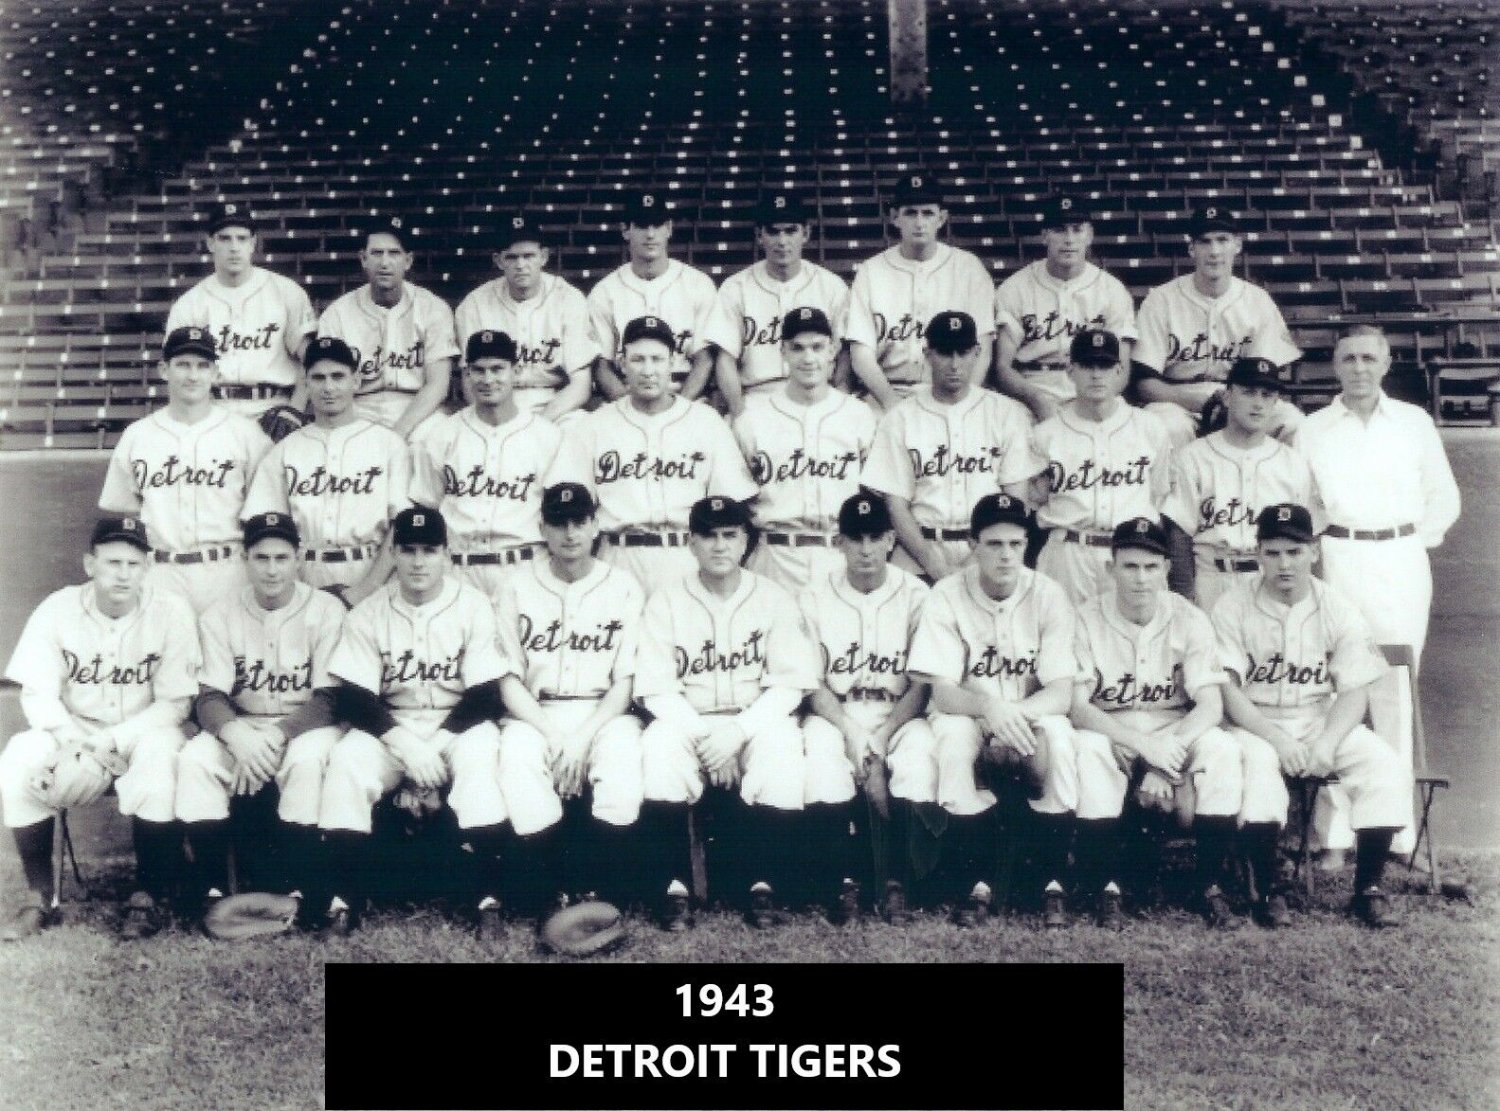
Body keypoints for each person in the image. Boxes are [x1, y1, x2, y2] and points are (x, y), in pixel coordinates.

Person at [1293, 324, 1461, 861]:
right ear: (1334, 365)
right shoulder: (1312, 429)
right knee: (1335, 684)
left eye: (1369, 357)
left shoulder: (1413, 423)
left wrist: (1410, 541)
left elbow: (1443, 496)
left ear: (1386, 363)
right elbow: (1302, 503)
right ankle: (1336, 827)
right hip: (1337, 558)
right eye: (1349, 358)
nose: (1359, 368)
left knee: (1394, 684)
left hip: (1401, 560)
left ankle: (1392, 825)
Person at [0, 517, 200, 940]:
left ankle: (147, 895)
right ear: (90, 564)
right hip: (71, 734)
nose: (123, 573)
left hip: (142, 732)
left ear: (147, 567)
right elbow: (37, 692)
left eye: (133, 563)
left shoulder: (171, 611)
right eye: (113, 562)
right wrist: (72, 742)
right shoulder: (57, 609)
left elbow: (175, 703)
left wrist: (111, 741)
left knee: (163, 755)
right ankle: (40, 897)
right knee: (19, 755)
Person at [1214, 504, 1413, 927]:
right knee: (1261, 773)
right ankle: (1271, 891)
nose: (1284, 564)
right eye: (1273, 553)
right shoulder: (1231, 605)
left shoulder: (1338, 606)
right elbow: (1228, 692)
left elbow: (1354, 690)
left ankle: (1369, 890)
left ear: (1315, 551)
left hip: (1322, 718)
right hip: (1256, 722)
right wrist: (1279, 739)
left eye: (1295, 551)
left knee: (1384, 766)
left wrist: (1326, 742)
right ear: (1258, 553)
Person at [314, 507, 509, 934]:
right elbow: (356, 696)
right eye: (408, 550)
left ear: (447, 554)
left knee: (481, 759)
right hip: (390, 723)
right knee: (347, 763)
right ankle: (342, 900)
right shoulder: (368, 612)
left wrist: (432, 748)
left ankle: (488, 900)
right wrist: (406, 745)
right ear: (394, 554)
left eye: (429, 550)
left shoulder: (474, 606)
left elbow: (484, 696)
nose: (419, 561)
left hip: (457, 724)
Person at [633, 497, 819, 929]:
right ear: (691, 542)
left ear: (745, 542)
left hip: (754, 717)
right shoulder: (666, 601)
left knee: (783, 750)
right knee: (659, 749)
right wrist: (706, 738)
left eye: (730, 535)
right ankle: (674, 888)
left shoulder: (773, 598)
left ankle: (764, 885)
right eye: (709, 536)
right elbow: (656, 689)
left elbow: (790, 683)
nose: (719, 546)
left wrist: (736, 733)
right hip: (687, 717)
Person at [906, 493, 1082, 927]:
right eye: (995, 544)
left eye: (1016, 544)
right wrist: (989, 708)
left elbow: (1061, 692)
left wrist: (1013, 715)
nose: (1006, 555)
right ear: (973, 543)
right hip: (968, 710)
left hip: (1031, 711)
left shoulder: (1048, 593)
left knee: (1059, 738)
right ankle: (975, 884)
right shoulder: (945, 595)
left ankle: (1051, 883)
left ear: (1027, 545)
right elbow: (942, 693)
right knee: (951, 740)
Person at [1068, 518, 1246, 929]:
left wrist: (1165, 756)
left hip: (1173, 732)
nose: (1141, 578)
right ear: (1110, 569)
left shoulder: (1189, 618)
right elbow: (1078, 708)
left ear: (1167, 568)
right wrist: (1143, 749)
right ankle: (1105, 888)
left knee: (1222, 748)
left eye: (1151, 566)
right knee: (1090, 751)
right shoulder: (1084, 617)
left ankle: (1209, 885)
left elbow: (1210, 704)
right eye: (1130, 566)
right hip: (1110, 729)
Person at [174, 513, 348, 921]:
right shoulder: (219, 614)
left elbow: (329, 697)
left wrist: (274, 738)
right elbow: (209, 694)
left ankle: (299, 887)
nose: (272, 569)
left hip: (307, 725)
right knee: (195, 760)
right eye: (262, 557)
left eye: (281, 558)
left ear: (299, 558)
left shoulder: (326, 610)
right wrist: (235, 734)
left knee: (305, 763)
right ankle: (214, 888)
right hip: (241, 724)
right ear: (244, 558)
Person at [491, 483, 646, 913]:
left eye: (580, 521)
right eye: (559, 523)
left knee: (621, 759)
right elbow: (507, 678)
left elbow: (626, 681)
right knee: (518, 759)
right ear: (542, 527)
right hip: (534, 710)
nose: (570, 533)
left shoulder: (624, 586)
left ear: (596, 525)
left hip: (605, 710)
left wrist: (579, 739)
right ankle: (550, 887)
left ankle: (601, 888)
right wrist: (553, 735)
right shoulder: (515, 586)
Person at [798, 493, 937, 923]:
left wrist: (879, 738)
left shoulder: (917, 594)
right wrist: (854, 735)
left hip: (899, 712)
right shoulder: (813, 595)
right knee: (821, 757)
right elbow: (811, 684)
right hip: (835, 712)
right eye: (855, 538)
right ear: (838, 541)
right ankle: (842, 883)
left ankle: (898, 884)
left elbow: (922, 683)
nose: (865, 549)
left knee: (918, 757)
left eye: (875, 537)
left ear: (892, 539)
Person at [553, 315, 757, 591]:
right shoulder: (593, 426)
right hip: (617, 556)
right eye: (638, 360)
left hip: (687, 555)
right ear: (622, 363)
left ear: (672, 362)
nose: (648, 370)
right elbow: (569, 510)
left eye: (657, 359)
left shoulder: (705, 422)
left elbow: (733, 507)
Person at [98, 326, 272, 613]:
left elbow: (264, 512)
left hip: (228, 571)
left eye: (203, 366)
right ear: (164, 370)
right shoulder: (137, 435)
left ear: (216, 373)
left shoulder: (246, 434)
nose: (192, 375)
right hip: (160, 573)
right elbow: (126, 515)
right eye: (183, 365)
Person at [860, 311, 1040, 581]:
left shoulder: (1006, 414)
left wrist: (977, 560)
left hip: (987, 553)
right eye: (945, 352)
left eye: (963, 352)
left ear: (977, 352)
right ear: (927, 353)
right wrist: (935, 566)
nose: (955, 364)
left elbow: (1016, 502)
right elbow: (895, 506)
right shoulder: (900, 417)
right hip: (917, 554)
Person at [242, 335, 409, 607]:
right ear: (305, 384)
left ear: (356, 381)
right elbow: (265, 530)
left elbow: (401, 528)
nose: (328, 387)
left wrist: (365, 590)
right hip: (303, 575)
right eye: (318, 378)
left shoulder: (389, 445)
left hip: (372, 571)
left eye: (338, 376)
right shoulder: (284, 450)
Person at [1133, 206, 1303, 448]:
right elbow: (1144, 384)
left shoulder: (1258, 300)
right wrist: (1193, 400)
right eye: (1205, 241)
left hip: (1245, 398)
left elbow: (1267, 378)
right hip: (1176, 401)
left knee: (1294, 424)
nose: (1214, 251)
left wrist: (1234, 402)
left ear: (1237, 245)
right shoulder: (1161, 300)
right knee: (1166, 427)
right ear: (1191, 248)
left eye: (1222, 240)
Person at [409, 329, 564, 596]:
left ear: (515, 371)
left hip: (525, 567)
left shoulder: (547, 436)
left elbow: (562, 517)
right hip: (458, 570)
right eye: (479, 370)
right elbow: (427, 507)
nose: (488, 379)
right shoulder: (442, 434)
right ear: (467, 374)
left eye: (497, 369)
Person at [732, 306, 876, 591]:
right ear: (782, 351)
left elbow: (876, 497)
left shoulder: (859, 415)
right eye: (797, 348)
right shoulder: (753, 419)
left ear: (832, 349)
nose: (808, 358)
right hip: (773, 556)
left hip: (839, 553)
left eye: (817, 347)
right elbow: (737, 502)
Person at [1030, 328, 1173, 604]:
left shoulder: (1150, 428)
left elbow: (1158, 496)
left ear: (1119, 370)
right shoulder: (1045, 434)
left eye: (1105, 365)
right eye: (1087, 365)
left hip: (1132, 553)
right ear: (1070, 371)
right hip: (1068, 553)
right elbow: (1035, 501)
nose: (1096, 374)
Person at [1162, 357, 1315, 611]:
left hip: (1270, 581)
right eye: (1248, 392)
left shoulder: (1292, 463)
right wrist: (1184, 598)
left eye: (1267, 395)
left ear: (1276, 402)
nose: (1258, 404)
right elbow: (1179, 536)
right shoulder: (1192, 457)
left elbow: (1307, 540)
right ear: (1227, 396)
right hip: (1211, 581)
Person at [846, 170, 996, 412]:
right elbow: (861, 354)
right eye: (910, 213)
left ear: (942, 218)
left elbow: (982, 350)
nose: (919, 222)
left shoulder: (969, 269)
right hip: (885, 393)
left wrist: (962, 403)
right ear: (895, 217)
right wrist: (890, 403)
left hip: (953, 394)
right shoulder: (871, 271)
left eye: (927, 213)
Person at [993, 195, 1137, 423]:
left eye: (1077, 229)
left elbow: (1122, 369)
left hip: (1093, 387)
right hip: (1032, 387)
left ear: (1089, 235)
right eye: (1060, 230)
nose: (1069, 239)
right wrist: (1036, 398)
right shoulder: (1015, 287)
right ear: (1044, 236)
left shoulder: (1112, 290)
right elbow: (1003, 367)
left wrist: (1090, 400)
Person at [316, 215, 460, 441]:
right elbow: (331, 382)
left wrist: (400, 431)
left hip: (417, 406)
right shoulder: (338, 313)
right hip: (358, 406)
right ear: (363, 259)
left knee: (439, 437)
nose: (385, 262)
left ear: (408, 260)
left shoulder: (433, 308)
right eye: (377, 253)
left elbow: (438, 384)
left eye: (394, 253)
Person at [706, 191, 851, 416]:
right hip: (757, 397)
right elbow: (725, 359)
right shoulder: (735, 288)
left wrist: (837, 397)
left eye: (791, 230)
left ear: (806, 233)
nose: (782, 241)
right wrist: (738, 411)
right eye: (773, 231)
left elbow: (845, 354)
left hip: (818, 395)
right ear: (759, 235)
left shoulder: (831, 286)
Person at [166, 201, 317, 417]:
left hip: (273, 407)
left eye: (242, 238)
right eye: (224, 238)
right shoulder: (189, 304)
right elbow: (176, 372)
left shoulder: (287, 292)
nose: (234, 247)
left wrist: (295, 411)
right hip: (213, 411)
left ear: (253, 243)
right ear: (210, 243)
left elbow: (311, 360)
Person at [453, 211, 598, 423]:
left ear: (543, 257)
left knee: (580, 429)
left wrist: (538, 425)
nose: (520, 265)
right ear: (499, 260)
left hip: (555, 402)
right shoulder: (475, 304)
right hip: (493, 404)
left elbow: (580, 385)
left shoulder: (569, 299)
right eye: (511, 257)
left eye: (528, 256)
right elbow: (470, 380)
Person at [586, 190, 718, 402]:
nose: (650, 234)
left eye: (657, 225)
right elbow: (602, 366)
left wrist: (680, 407)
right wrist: (627, 408)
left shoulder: (698, 284)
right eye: (641, 226)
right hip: (627, 396)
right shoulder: (604, 291)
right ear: (625, 230)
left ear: (669, 229)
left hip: (687, 395)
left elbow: (705, 361)